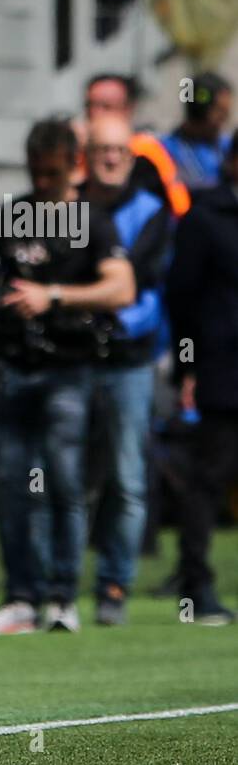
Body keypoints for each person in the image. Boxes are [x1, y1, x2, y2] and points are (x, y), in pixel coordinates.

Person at [0, 119, 135, 636]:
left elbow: (122, 289)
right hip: (13, 369)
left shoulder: (93, 219)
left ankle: (64, 597)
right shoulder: (11, 215)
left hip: (68, 368)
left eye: (52, 173)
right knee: (9, 482)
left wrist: (54, 296)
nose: (42, 183)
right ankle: (21, 596)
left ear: (74, 166)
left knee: (65, 481)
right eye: (35, 173)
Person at [79, 115, 173, 625]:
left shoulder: (152, 211)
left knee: (127, 479)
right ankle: (53, 588)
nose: (111, 158)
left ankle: (114, 586)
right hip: (69, 360)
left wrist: (88, 306)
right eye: (101, 150)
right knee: (57, 478)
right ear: (86, 155)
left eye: (119, 150)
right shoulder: (64, 208)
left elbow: (139, 285)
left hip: (130, 361)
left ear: (131, 159)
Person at [163, 137, 238, 625]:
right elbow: (181, 295)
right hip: (222, 369)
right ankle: (196, 587)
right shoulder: (205, 216)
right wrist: (187, 369)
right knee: (208, 478)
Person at [79, 73, 190, 215]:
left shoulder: (146, 152)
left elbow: (179, 207)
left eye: (106, 106)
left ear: (127, 110)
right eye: (90, 105)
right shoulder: (74, 148)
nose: (95, 113)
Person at [160, 71, 233, 192]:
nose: (225, 119)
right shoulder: (166, 150)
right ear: (199, 110)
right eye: (221, 112)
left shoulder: (227, 148)